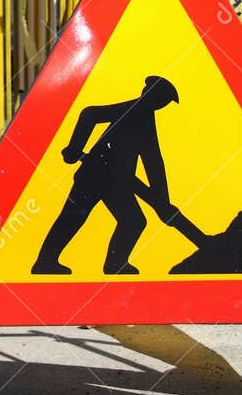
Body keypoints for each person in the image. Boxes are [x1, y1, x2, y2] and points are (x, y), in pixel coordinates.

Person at [30, 75, 206, 275]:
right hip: (97, 175)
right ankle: (56, 263)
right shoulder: (135, 110)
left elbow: (153, 161)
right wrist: (74, 149)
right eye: (163, 101)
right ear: (154, 97)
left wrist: (162, 200)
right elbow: (89, 114)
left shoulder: (145, 118)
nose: (163, 105)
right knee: (83, 217)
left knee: (128, 220)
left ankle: (103, 264)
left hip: (116, 180)